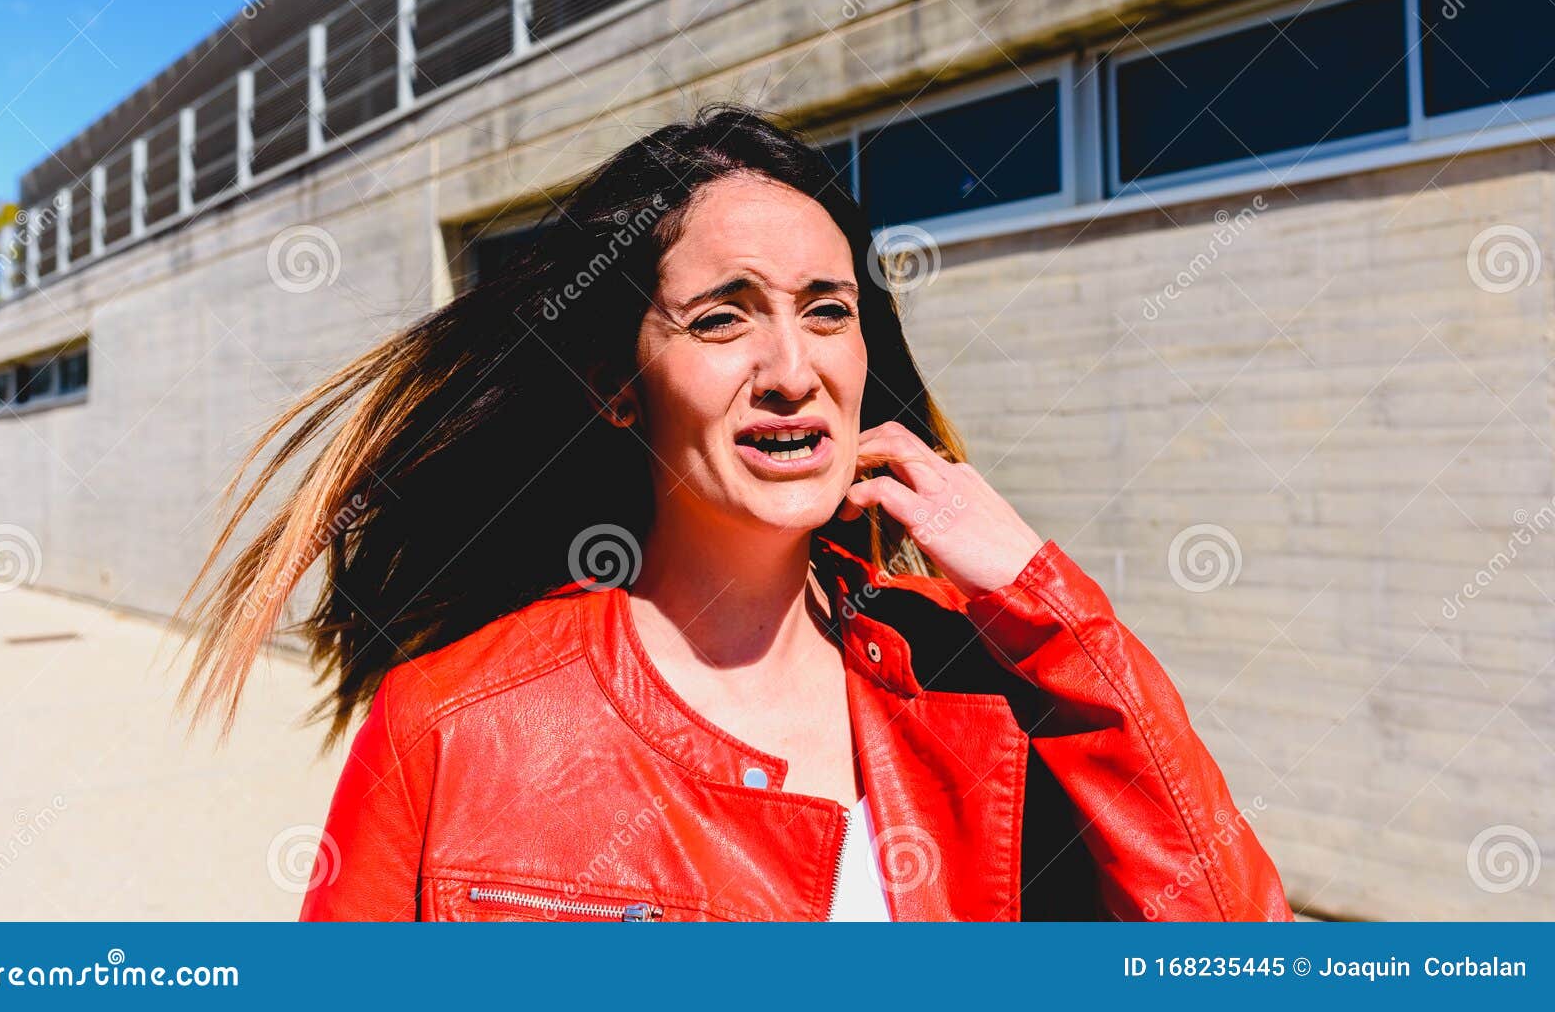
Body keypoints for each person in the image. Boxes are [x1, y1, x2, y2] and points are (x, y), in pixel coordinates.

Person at [176, 103, 1292, 922]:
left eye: (826, 310)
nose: (790, 368)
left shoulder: (975, 686)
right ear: (619, 386)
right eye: (722, 319)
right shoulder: (452, 725)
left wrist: (1047, 604)